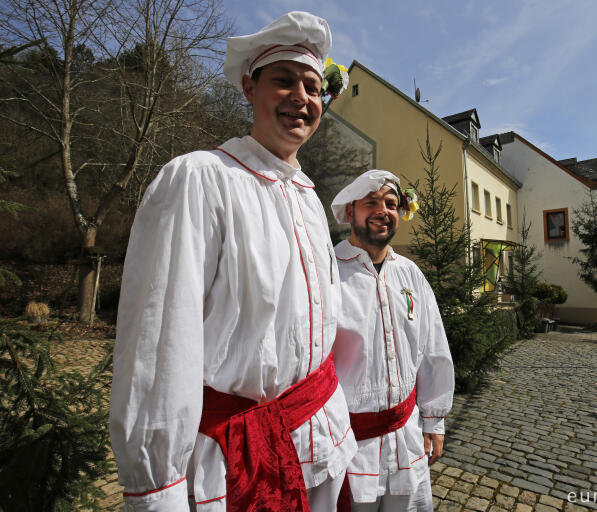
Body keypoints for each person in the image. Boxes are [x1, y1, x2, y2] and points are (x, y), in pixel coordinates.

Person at [109, 12, 357, 511]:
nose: (301, 98)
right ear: (249, 87)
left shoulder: (309, 195)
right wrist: (158, 488)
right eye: (283, 81)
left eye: (312, 87)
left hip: (324, 441)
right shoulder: (200, 179)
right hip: (238, 462)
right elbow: (160, 341)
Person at [330, 170, 454, 511]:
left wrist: (434, 419)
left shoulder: (410, 273)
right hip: (348, 446)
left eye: (391, 203)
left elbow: (433, 348)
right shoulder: (328, 271)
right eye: (371, 202)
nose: (382, 210)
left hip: (407, 437)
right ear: (351, 211)